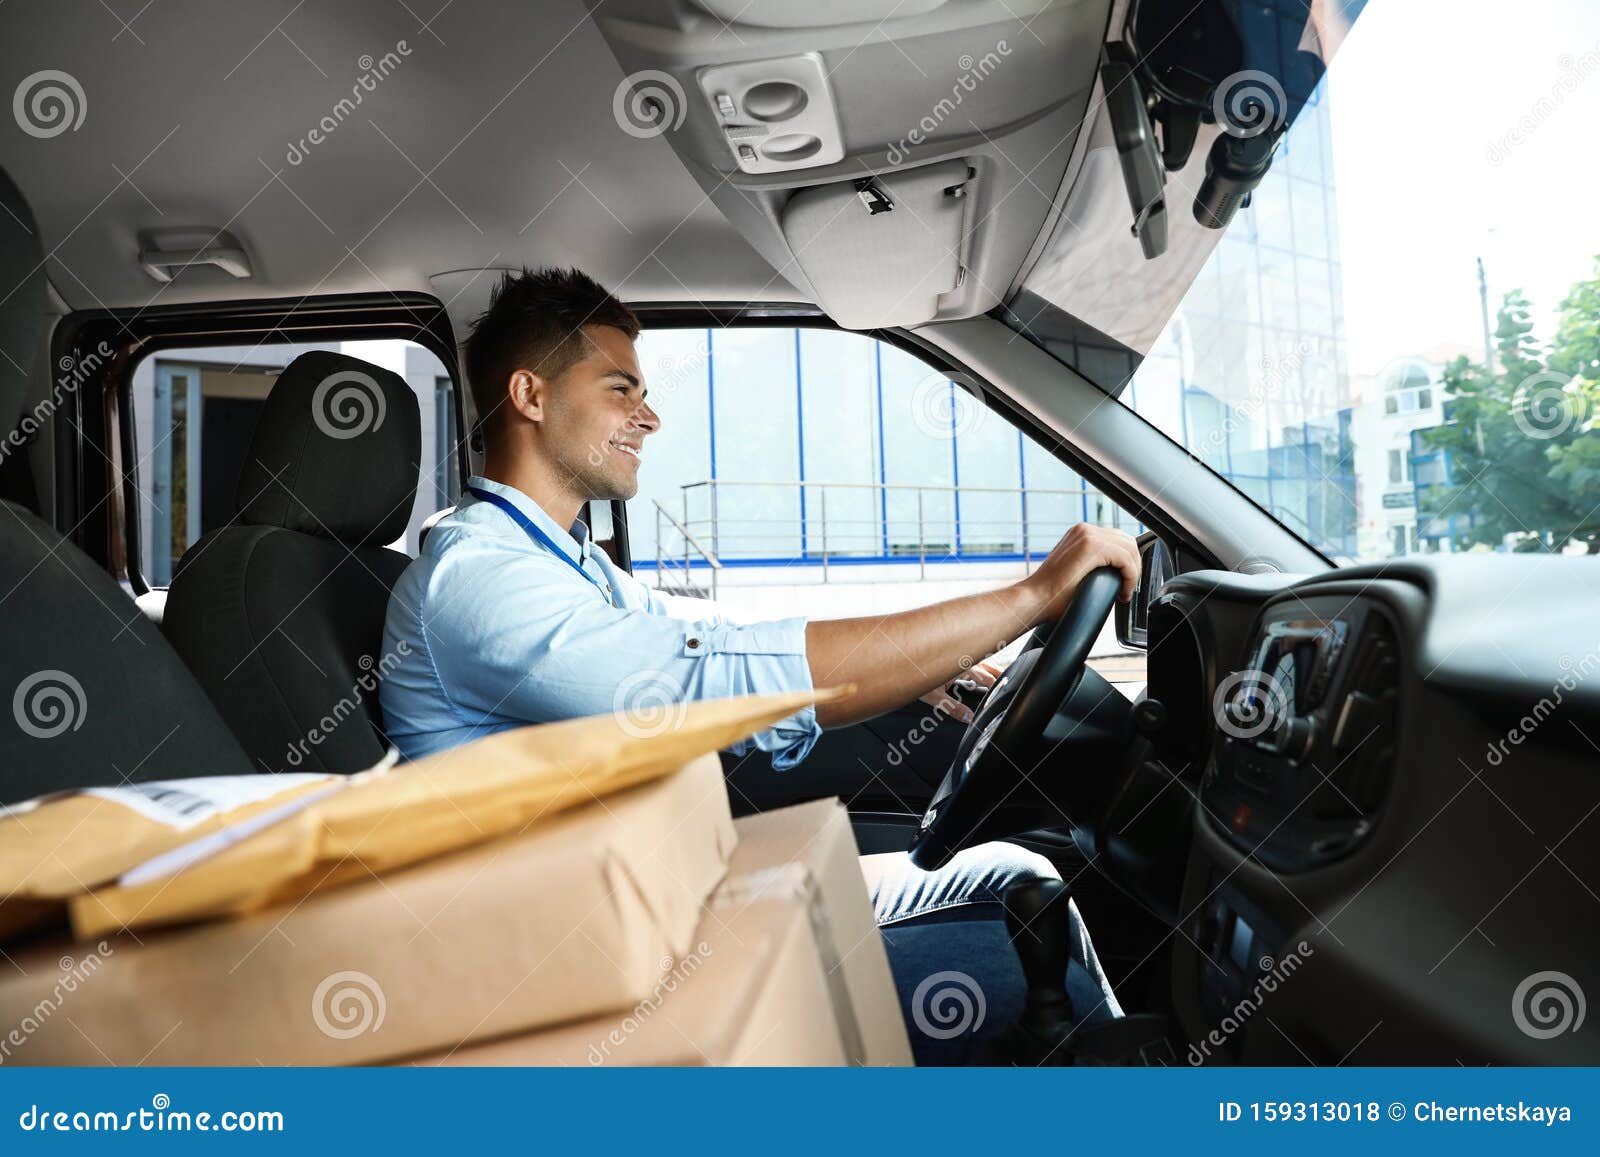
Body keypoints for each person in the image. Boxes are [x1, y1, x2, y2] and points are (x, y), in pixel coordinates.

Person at [379, 267, 1141, 1062]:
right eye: (619, 389)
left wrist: (937, 658)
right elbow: (715, 680)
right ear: (531, 397)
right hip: (590, 986)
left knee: (1019, 870)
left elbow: (720, 631)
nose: (650, 415)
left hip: (663, 912)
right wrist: (1027, 599)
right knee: (1030, 977)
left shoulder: (568, 565)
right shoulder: (480, 578)